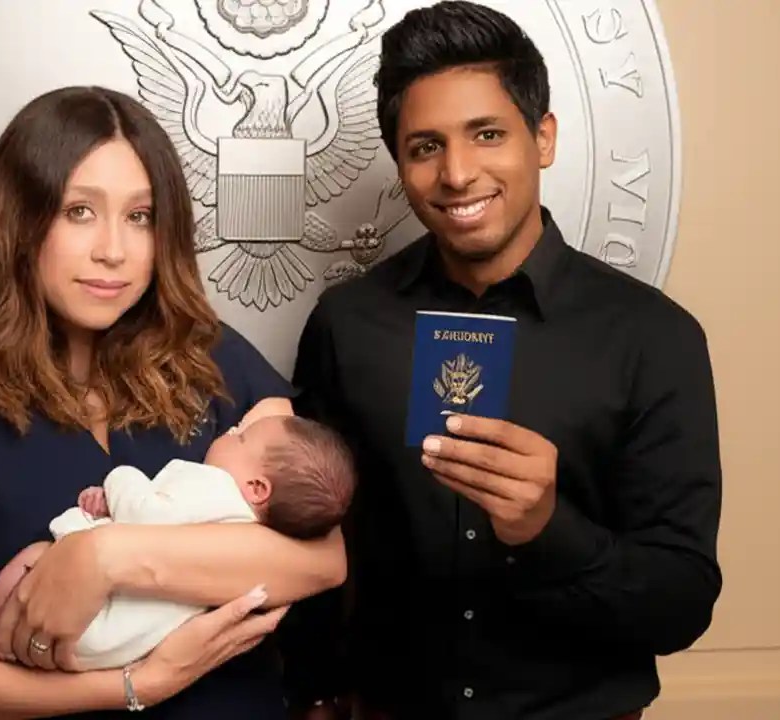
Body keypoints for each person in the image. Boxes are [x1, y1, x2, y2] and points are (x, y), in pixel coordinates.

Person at [0, 85, 348, 720]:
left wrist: (105, 557)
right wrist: (141, 683)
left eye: (140, 216)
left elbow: (319, 561)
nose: (115, 249)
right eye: (80, 211)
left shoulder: (216, 358)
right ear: (19, 219)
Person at [279, 2, 723, 719]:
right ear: (400, 159)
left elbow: (680, 606)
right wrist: (312, 690)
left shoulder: (653, 338)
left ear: (542, 138)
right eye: (425, 146)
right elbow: (312, 537)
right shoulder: (348, 324)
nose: (457, 173)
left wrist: (550, 529)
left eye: (487, 135)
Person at [0, 413, 356, 671]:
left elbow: (149, 514)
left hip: (89, 620)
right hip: (131, 645)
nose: (229, 431)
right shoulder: (257, 531)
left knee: (36, 557)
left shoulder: (214, 489)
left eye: (240, 437)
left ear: (258, 487)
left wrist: (119, 480)